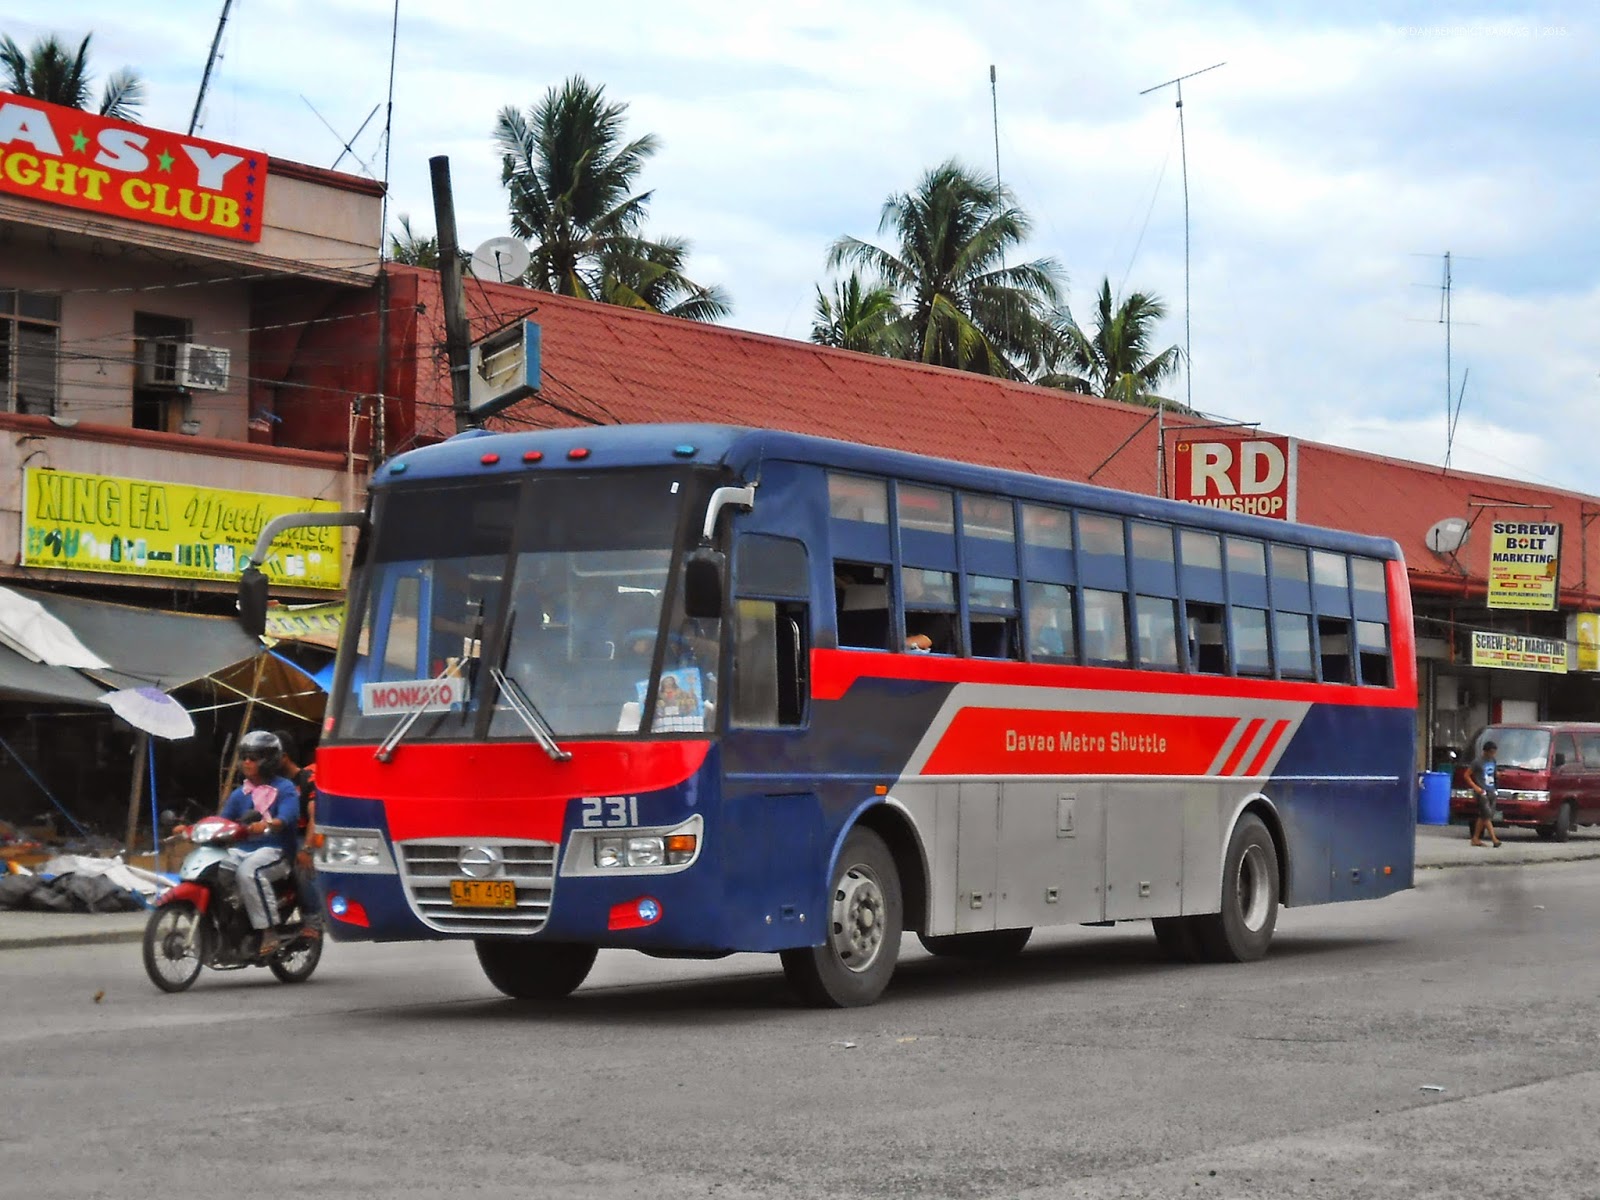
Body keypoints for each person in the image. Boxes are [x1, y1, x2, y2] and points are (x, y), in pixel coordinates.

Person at [220, 730, 301, 954]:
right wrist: (192, 828)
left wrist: (267, 825)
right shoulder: (240, 793)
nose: (246, 762)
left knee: (249, 872)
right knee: (217, 868)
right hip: (242, 850)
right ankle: (232, 918)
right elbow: (222, 820)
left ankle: (269, 931)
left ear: (269, 760)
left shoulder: (285, 789)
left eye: (253, 758)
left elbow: (287, 818)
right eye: (244, 757)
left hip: (276, 851)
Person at [1467, 739, 1503, 848]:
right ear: (1485, 751)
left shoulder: (1493, 760)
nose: (1493, 754)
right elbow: (1467, 775)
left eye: (1494, 752)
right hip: (1481, 791)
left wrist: (1498, 775)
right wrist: (1475, 787)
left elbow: (1493, 773)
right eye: (1491, 752)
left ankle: (1475, 838)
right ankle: (1494, 839)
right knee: (1486, 815)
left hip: (1491, 790)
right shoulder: (1477, 762)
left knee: (1484, 816)